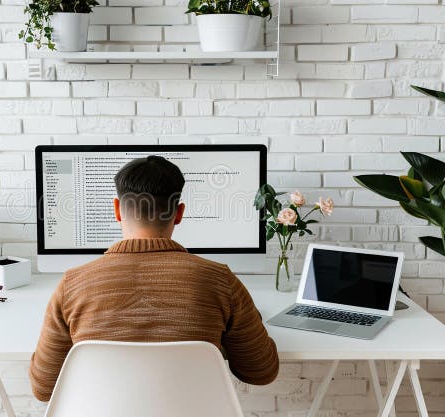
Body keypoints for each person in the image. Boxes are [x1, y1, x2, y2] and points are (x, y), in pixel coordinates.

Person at [29, 155, 279, 402]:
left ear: (117, 210)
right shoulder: (220, 281)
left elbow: (43, 387)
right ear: (179, 213)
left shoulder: (72, 285)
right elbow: (261, 372)